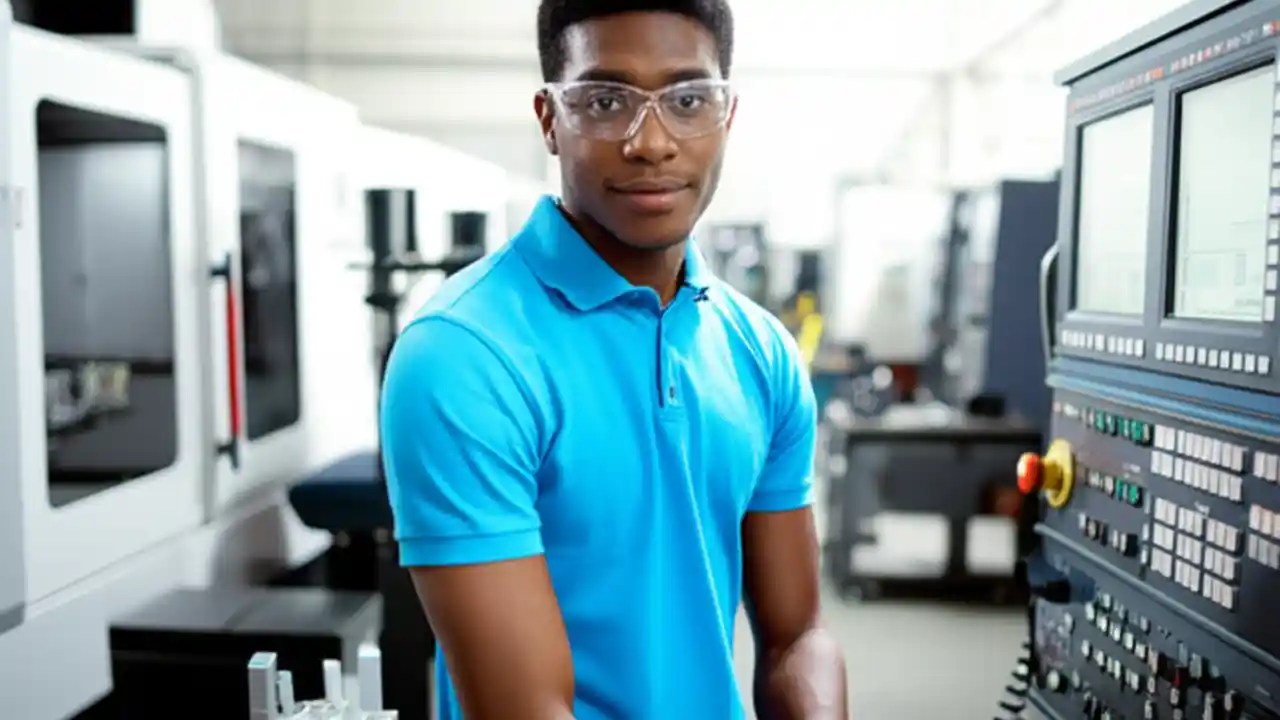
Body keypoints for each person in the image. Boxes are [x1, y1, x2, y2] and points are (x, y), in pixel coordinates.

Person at [379, 1, 850, 718]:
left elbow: (797, 636)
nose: (652, 142)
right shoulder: (462, 356)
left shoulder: (761, 352)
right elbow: (526, 709)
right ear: (549, 118)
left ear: (727, 116)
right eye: (605, 100)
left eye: (688, 99)